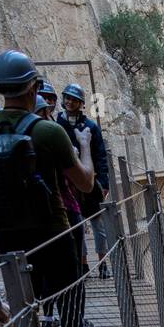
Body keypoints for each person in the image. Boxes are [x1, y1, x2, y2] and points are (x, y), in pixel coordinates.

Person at [0, 50, 98, 327]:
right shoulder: (48, 131)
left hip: (8, 239)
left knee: (25, 314)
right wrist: (84, 147)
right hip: (53, 233)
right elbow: (84, 183)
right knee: (70, 304)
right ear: (33, 85)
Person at [60, 82, 109, 277]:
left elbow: (100, 156)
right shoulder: (58, 125)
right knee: (76, 224)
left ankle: (103, 263)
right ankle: (82, 264)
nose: (69, 102)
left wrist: (104, 183)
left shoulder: (91, 127)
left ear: (81, 104)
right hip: (69, 185)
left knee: (97, 224)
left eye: (74, 100)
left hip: (90, 182)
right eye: (67, 98)